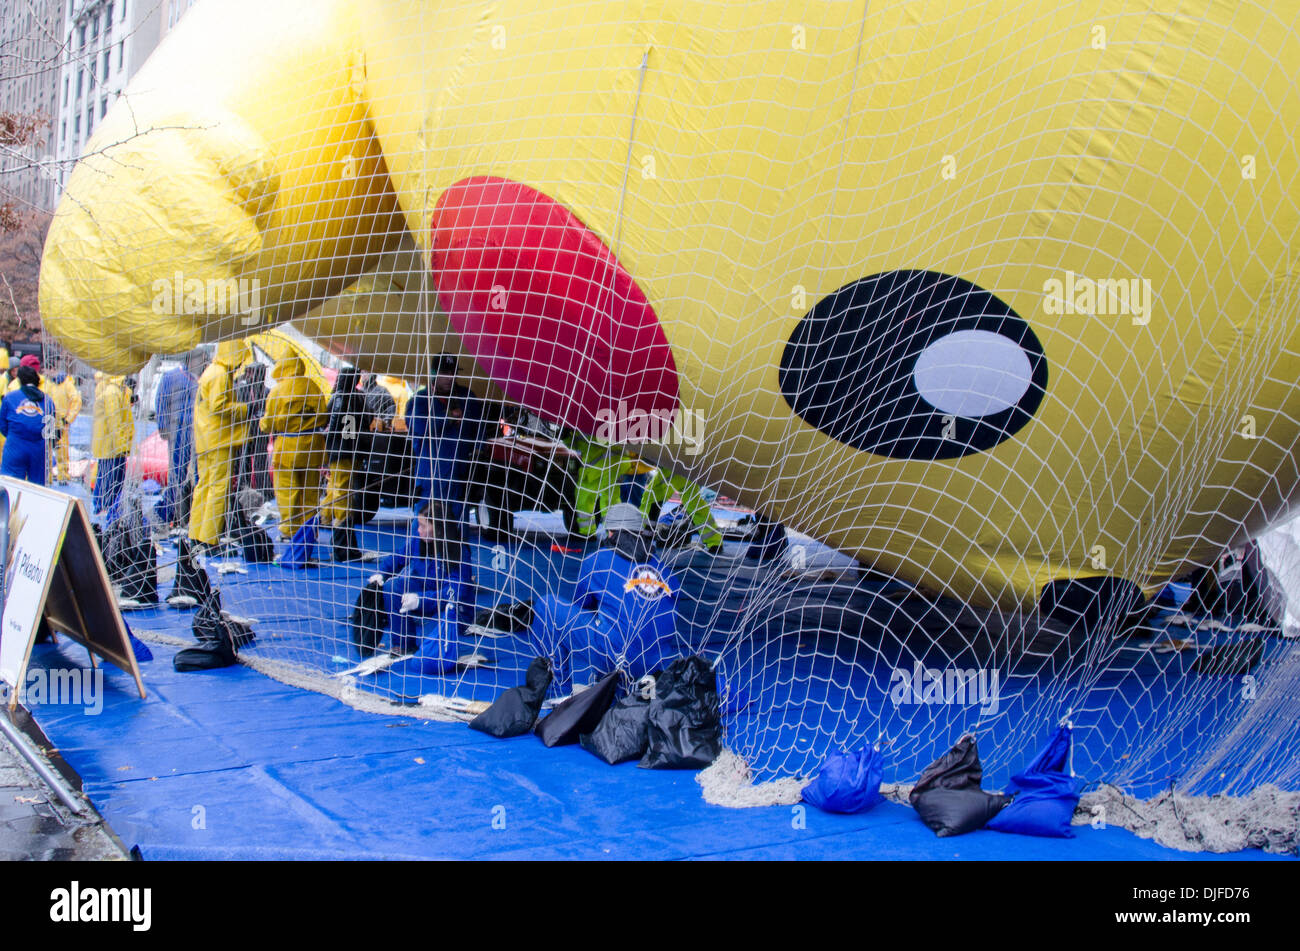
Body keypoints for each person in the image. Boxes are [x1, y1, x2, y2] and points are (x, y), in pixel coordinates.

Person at [524, 502, 680, 692]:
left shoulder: (599, 559)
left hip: (617, 656)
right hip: (656, 663)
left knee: (547, 606)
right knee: (619, 621)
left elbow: (582, 606)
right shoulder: (665, 569)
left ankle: (559, 689)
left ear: (611, 533)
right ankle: (620, 681)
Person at [363, 499, 475, 671]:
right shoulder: (418, 540)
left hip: (450, 608)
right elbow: (400, 556)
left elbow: (455, 592)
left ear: (438, 528)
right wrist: (382, 573)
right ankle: (403, 645)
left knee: (431, 655)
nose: (418, 530)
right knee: (393, 588)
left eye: (423, 526)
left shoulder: (459, 551)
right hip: (424, 591)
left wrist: (421, 600)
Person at [407, 354, 488, 522]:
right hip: (430, 477)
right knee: (424, 529)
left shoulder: (468, 398)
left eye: (453, 372)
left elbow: (480, 427)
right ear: (434, 373)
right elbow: (420, 426)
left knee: (457, 531)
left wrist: (479, 451)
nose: (450, 378)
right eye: (445, 373)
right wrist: (448, 418)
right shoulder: (420, 400)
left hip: (459, 476)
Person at [189, 339, 250, 550]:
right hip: (219, 441)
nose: (240, 365)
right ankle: (210, 538)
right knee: (218, 489)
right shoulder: (220, 375)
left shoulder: (211, 371)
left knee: (204, 486)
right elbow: (219, 406)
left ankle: (196, 533)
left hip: (207, 439)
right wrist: (245, 409)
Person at [260, 353, 328, 539]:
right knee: (310, 492)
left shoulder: (279, 390)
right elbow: (323, 416)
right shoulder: (313, 387)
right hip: (312, 448)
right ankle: (309, 531)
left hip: (287, 448)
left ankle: (290, 530)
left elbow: (268, 423)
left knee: (287, 491)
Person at [154, 352, 202, 527]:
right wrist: (163, 426)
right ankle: (166, 515)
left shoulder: (202, 378)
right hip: (179, 432)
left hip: (200, 433)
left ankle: (193, 516)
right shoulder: (171, 376)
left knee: (199, 475)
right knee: (178, 473)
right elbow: (161, 400)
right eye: (199, 359)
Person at [322, 366, 369, 529]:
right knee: (340, 484)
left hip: (339, 449)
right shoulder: (362, 397)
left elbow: (328, 422)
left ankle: (341, 520)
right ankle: (325, 516)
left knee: (338, 485)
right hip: (357, 449)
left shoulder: (337, 397)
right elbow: (368, 420)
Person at [0, 364, 57, 485]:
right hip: (39, 449)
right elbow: (51, 430)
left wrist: (14, 435)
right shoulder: (48, 400)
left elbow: (2, 425)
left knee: (10, 485)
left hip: (15, 445)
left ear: (20, 380)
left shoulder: (10, 397)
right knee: (37, 488)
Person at [90, 371, 135, 514]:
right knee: (111, 478)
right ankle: (105, 508)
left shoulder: (113, 390)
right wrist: (122, 444)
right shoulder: (112, 392)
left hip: (109, 444)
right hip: (112, 446)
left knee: (107, 476)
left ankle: (103, 506)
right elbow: (115, 421)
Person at [48, 365, 83, 483]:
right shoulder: (49, 384)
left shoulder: (67, 384)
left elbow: (76, 401)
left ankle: (63, 476)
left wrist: (68, 419)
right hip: (48, 420)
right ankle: (47, 476)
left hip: (61, 421)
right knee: (47, 449)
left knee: (61, 450)